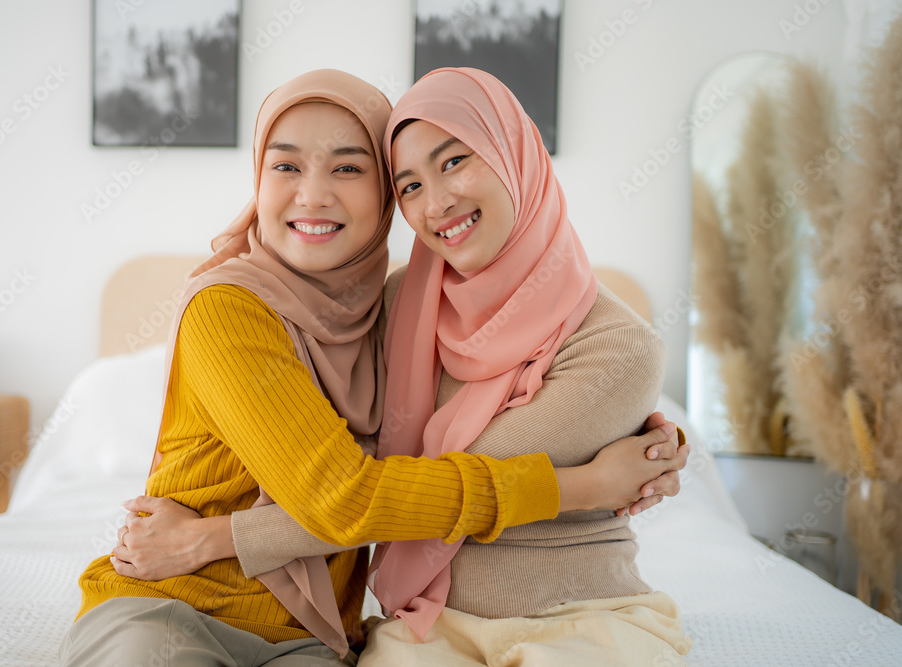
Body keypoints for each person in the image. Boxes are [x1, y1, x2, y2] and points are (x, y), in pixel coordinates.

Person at [60, 69, 685, 667]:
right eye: (411, 182)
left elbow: (378, 491)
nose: (313, 193)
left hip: (347, 633)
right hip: (233, 610)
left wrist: (216, 536)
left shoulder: (386, 311)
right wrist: (590, 483)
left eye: (349, 169)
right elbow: (352, 496)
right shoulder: (328, 309)